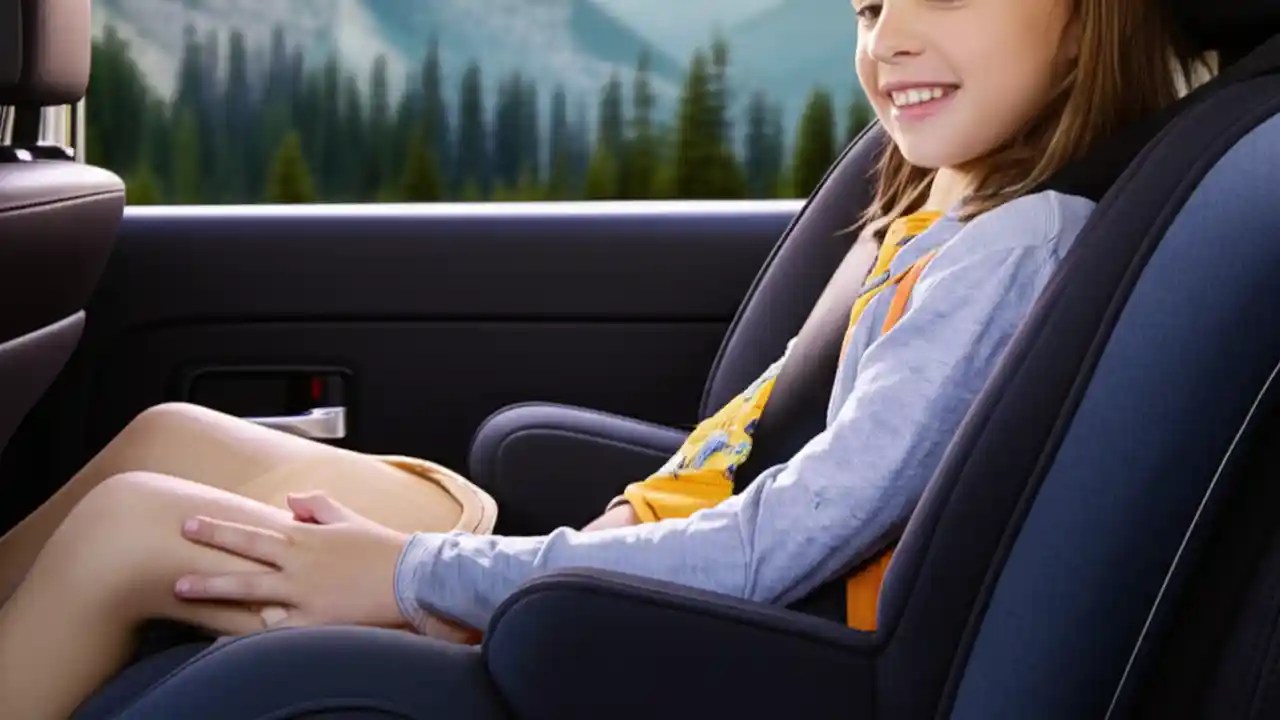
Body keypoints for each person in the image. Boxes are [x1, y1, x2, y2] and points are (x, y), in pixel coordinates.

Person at [0, 0, 1208, 717]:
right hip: (618, 561)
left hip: (653, 627)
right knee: (171, 439)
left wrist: (414, 575)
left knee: (133, 525)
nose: (887, 40)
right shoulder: (950, 204)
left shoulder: (1013, 249)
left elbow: (785, 540)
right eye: (865, 8)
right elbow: (755, 462)